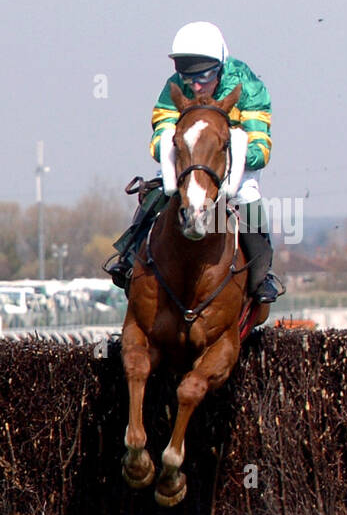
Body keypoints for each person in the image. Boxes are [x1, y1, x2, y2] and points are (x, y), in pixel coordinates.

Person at [107, 22, 282, 304]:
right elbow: (161, 131)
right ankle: (128, 256)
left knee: (248, 196)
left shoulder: (248, 86)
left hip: (232, 163)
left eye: (204, 77)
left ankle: (263, 276)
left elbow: (260, 148)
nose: (196, 86)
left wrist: (223, 151)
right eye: (190, 79)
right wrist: (175, 149)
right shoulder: (175, 86)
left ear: (221, 67)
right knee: (158, 191)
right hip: (189, 162)